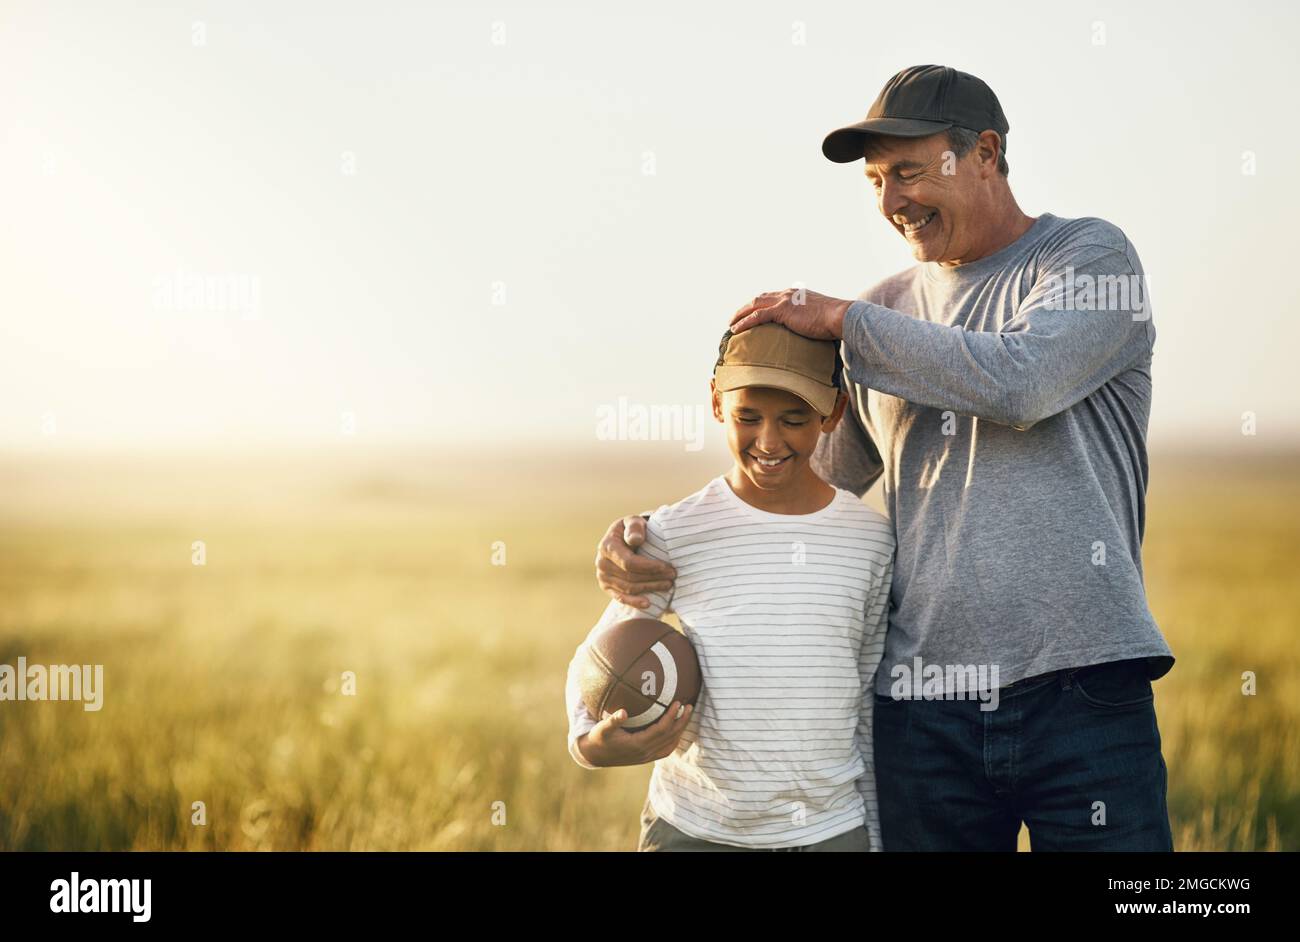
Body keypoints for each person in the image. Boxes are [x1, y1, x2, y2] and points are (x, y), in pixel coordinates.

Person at [596, 65, 1176, 851]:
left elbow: (1021, 382)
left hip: (1081, 693)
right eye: (876, 180)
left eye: (908, 171)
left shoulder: (1087, 259)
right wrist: (652, 542)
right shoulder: (886, 311)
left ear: (986, 153)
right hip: (921, 709)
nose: (891, 200)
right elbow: (803, 480)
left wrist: (842, 320)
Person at [566, 323, 894, 850]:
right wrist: (589, 743)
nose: (768, 441)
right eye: (747, 417)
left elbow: (864, 699)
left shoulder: (870, 540)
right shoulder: (673, 533)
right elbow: (599, 654)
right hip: (695, 828)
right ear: (717, 405)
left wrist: (872, 835)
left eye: (794, 419)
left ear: (832, 413)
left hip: (831, 829)